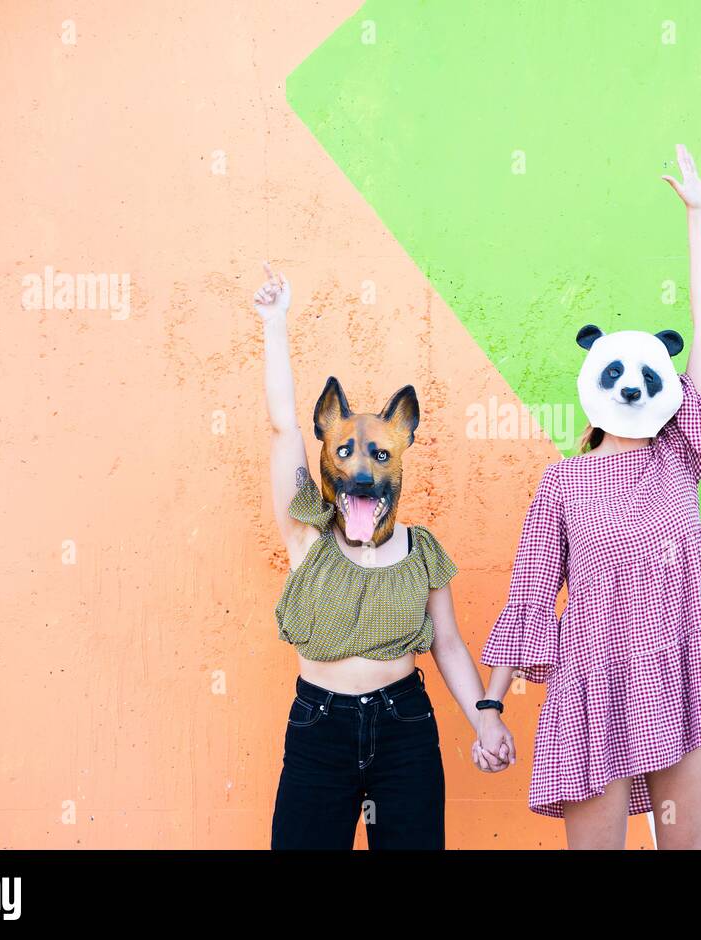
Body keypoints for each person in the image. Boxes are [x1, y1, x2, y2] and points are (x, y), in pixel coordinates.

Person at [476, 145, 701, 849]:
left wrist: (698, 218)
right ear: (596, 384)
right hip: (593, 691)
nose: (633, 388)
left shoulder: (681, 453)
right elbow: (531, 595)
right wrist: (490, 706)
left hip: (682, 679)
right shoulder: (563, 483)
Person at [253, 264, 512, 849]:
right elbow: (280, 428)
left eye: (377, 455)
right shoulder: (306, 537)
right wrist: (275, 325)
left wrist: (485, 719)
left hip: (405, 729)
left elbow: (447, 644)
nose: (363, 471)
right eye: (346, 453)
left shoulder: (422, 552)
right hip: (319, 730)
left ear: (401, 454)